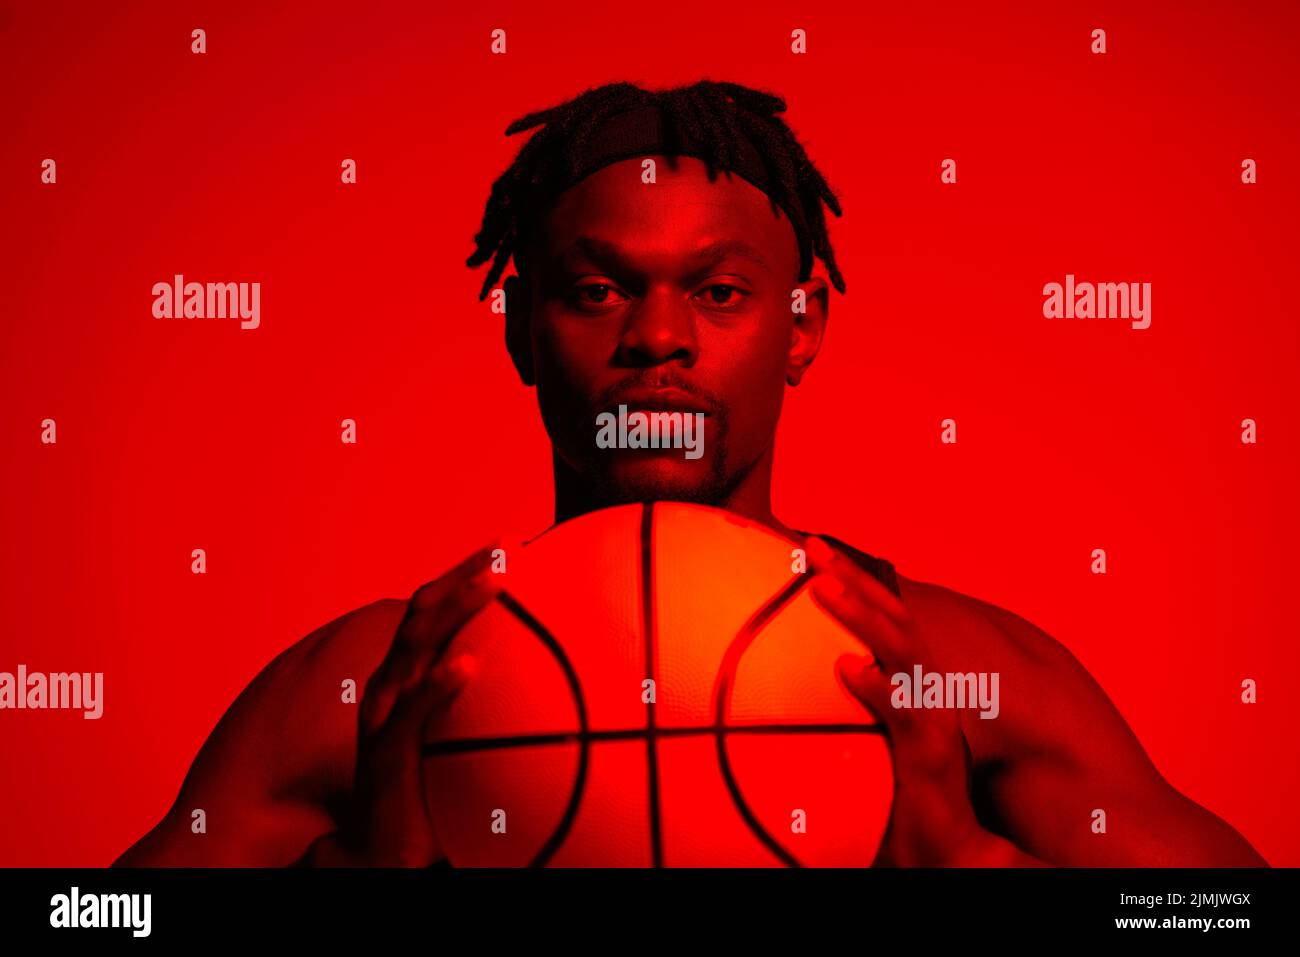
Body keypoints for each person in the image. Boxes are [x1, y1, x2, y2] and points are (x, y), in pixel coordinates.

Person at [114, 80, 1266, 868]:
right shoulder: (377, 687)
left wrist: (971, 867)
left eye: (718, 292)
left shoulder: (954, 676)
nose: (656, 338)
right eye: (597, 289)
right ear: (519, 329)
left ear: (803, 328)